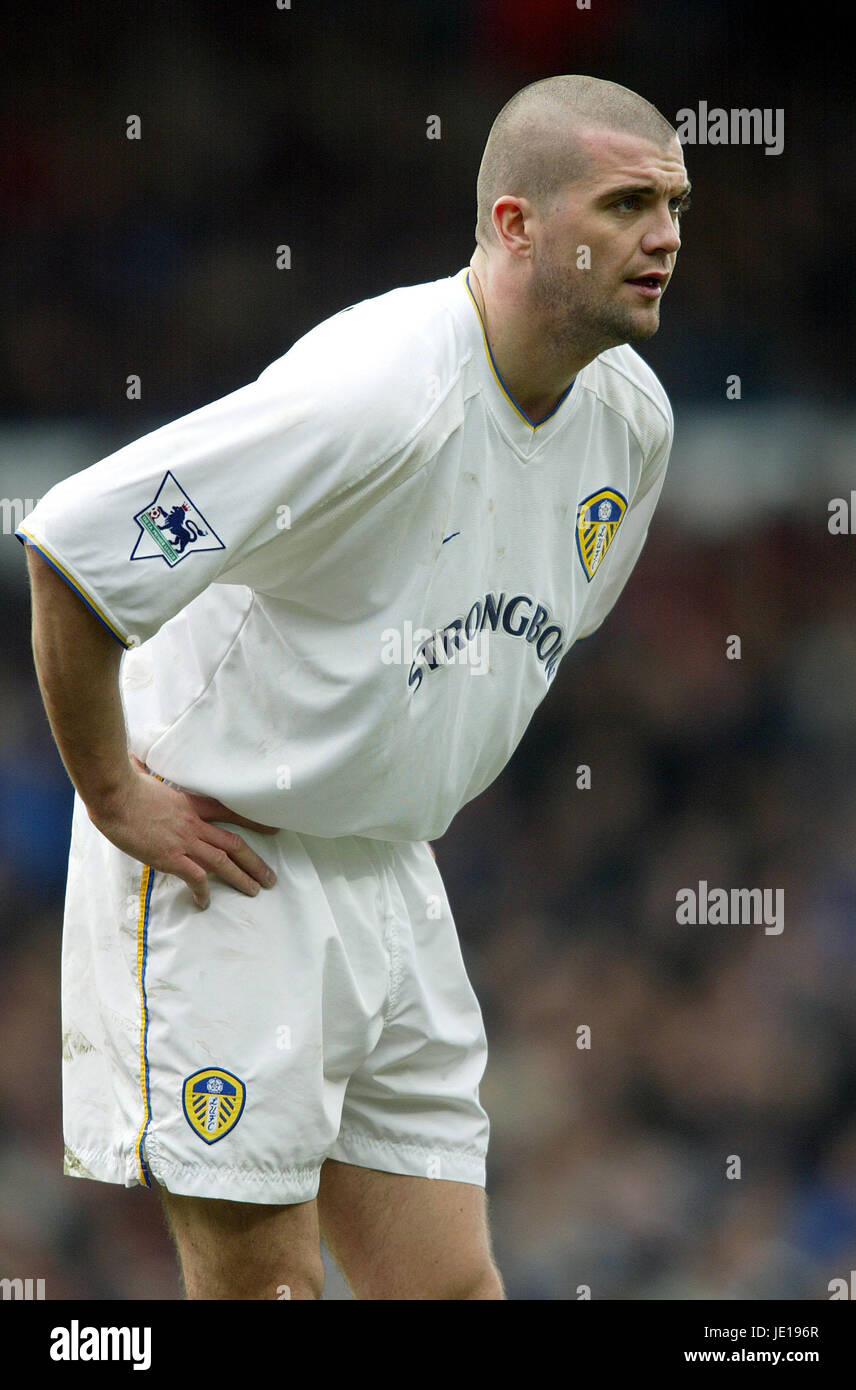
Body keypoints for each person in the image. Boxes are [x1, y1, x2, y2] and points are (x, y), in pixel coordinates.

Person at [18, 74, 689, 1300]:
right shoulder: (375, 390)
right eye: (628, 201)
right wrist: (112, 790)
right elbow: (74, 539)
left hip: (388, 872)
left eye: (674, 204)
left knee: (448, 1292)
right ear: (513, 224)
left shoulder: (632, 424)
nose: (663, 238)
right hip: (227, 862)